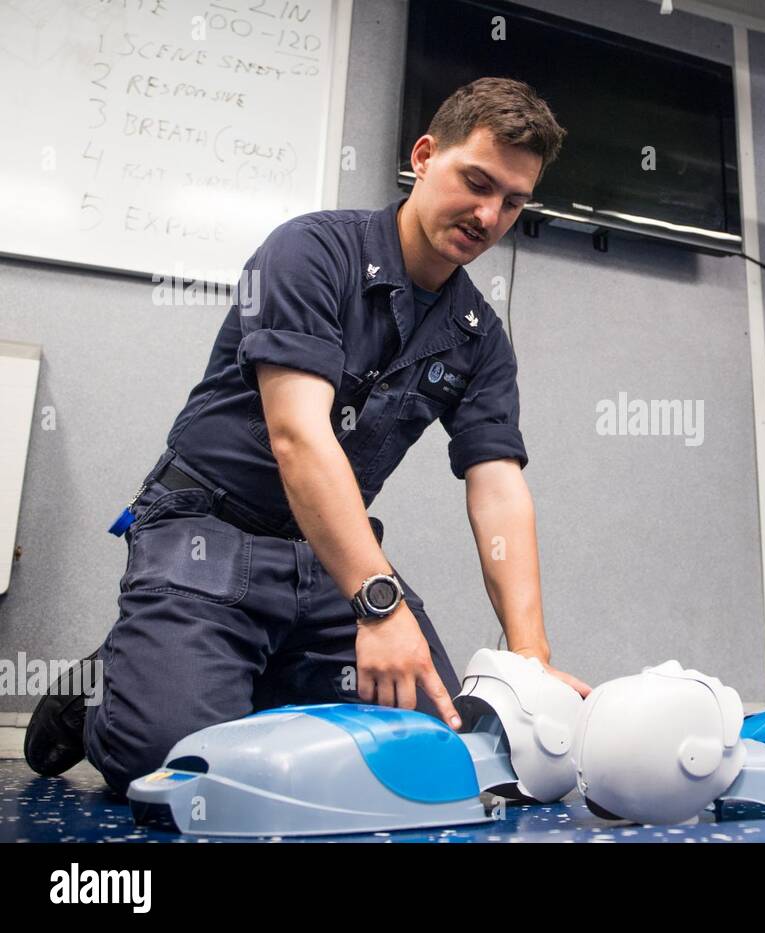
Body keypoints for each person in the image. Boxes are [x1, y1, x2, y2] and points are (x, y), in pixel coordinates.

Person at [25, 77, 590, 796]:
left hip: (328, 552)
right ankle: (116, 686)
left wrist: (530, 657)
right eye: (476, 182)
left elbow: (498, 485)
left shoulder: (478, 335)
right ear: (424, 155)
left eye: (512, 201)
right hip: (209, 530)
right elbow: (297, 435)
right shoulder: (312, 251)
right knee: (174, 766)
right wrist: (379, 605)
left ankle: (229, 670)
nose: (488, 215)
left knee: (433, 754)